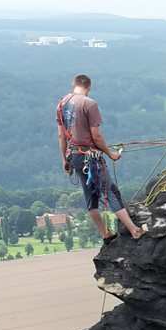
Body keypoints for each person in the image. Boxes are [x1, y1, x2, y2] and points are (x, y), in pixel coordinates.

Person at [57, 74, 144, 243]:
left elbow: (61, 136)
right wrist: (111, 153)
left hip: (74, 155)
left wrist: (64, 160)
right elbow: (96, 136)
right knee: (109, 191)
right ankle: (134, 230)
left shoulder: (62, 104)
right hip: (91, 156)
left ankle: (105, 234)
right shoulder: (89, 104)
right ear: (88, 87)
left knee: (91, 197)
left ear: (74, 85)